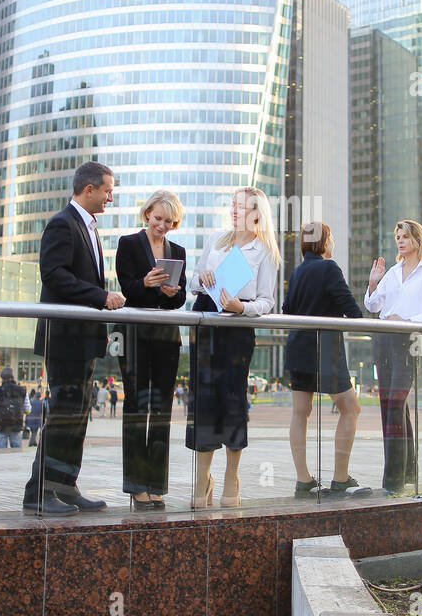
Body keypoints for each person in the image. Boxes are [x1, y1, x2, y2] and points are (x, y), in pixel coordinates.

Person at [23, 161, 126, 516]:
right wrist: (100, 296)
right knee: (64, 414)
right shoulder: (62, 224)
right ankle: (39, 493)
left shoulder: (89, 228)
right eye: (108, 191)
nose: (110, 197)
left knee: (79, 414)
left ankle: (65, 487)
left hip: (81, 340)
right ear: (89, 190)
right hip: (64, 339)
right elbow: (53, 275)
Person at [187, 186, 280, 508]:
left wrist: (243, 308)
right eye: (233, 205)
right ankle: (202, 479)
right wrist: (204, 278)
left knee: (232, 399)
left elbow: (268, 301)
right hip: (205, 322)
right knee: (202, 400)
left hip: (237, 329)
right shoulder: (217, 239)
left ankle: (231, 476)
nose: (235, 211)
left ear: (257, 213)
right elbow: (193, 282)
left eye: (241, 206)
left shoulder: (264, 251)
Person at [282, 221, 366, 498]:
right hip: (325, 349)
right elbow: (352, 311)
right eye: (331, 238)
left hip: (298, 347)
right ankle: (340, 478)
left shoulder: (297, 272)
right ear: (324, 242)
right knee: (351, 408)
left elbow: (287, 309)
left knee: (300, 413)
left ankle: (303, 479)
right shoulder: (329, 268)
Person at [114, 189, 188, 510]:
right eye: (158, 219)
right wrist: (145, 283)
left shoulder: (178, 250)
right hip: (134, 334)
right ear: (147, 214)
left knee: (161, 410)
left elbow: (180, 299)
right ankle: (136, 485)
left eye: (169, 222)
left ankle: (155, 485)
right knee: (135, 406)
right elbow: (126, 288)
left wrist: (174, 291)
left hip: (166, 336)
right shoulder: (128, 244)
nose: (162, 226)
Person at [364, 219, 422, 495]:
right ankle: (408, 471)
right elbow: (373, 305)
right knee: (391, 407)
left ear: (418, 240)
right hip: (384, 341)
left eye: (405, 236)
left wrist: (407, 320)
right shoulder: (392, 273)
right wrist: (373, 284)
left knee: (396, 404)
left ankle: (393, 481)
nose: (400, 241)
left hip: (410, 341)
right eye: (397, 236)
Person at [0, 368, 30, 449]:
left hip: (0, 425)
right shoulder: (22, 390)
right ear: (13, 376)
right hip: (16, 424)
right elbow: (28, 409)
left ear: (2, 378)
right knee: (17, 450)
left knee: (0, 452)